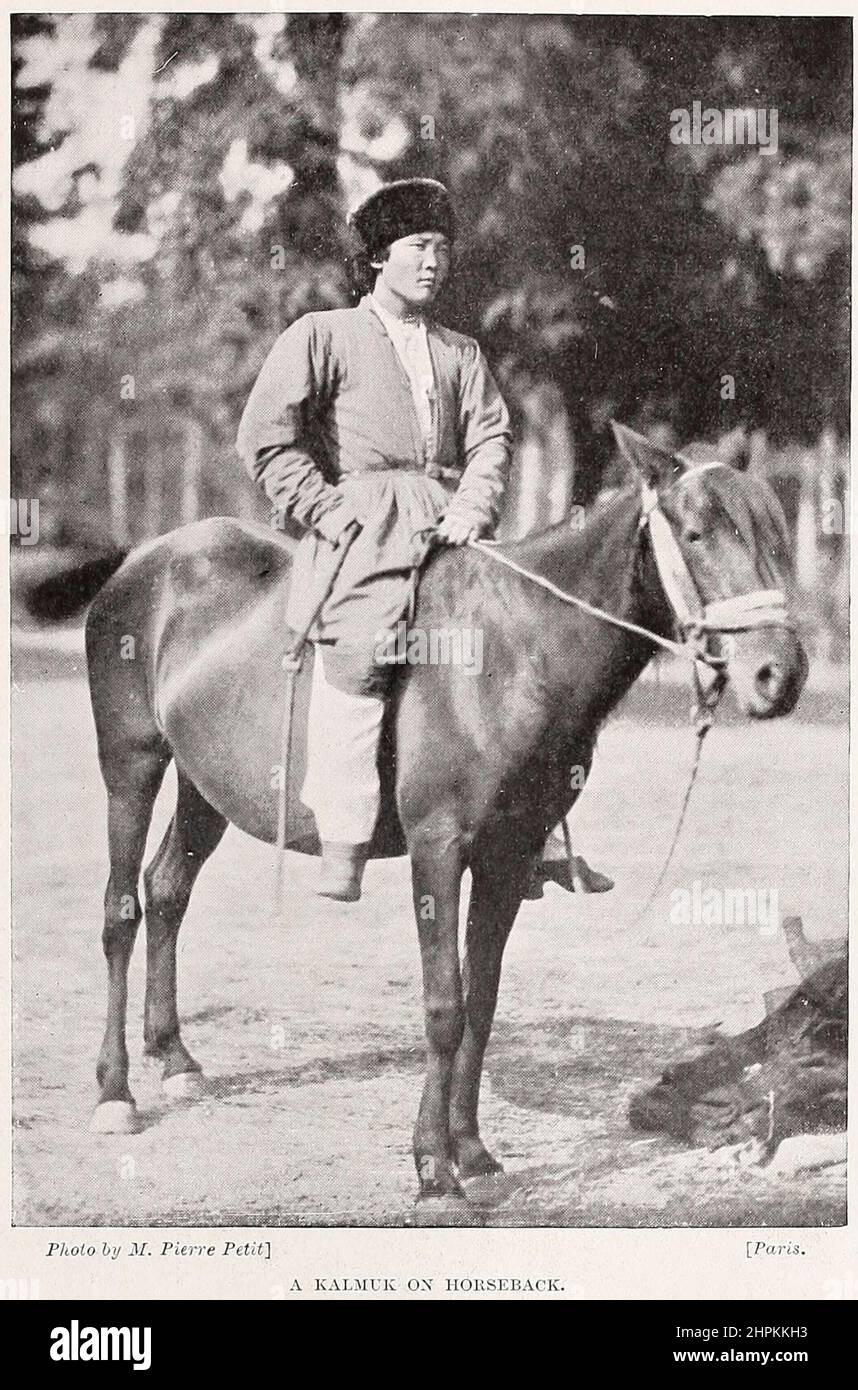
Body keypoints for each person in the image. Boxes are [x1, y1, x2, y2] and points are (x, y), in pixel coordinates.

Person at [237, 177, 612, 901]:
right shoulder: (322, 336)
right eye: (418, 247)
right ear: (378, 257)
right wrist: (325, 507)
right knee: (363, 649)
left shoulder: (461, 352)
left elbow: (492, 437)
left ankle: (533, 834)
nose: (434, 262)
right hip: (363, 531)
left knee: (520, 649)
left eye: (443, 248)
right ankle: (343, 839)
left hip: (449, 523)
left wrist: (474, 505)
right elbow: (266, 439)